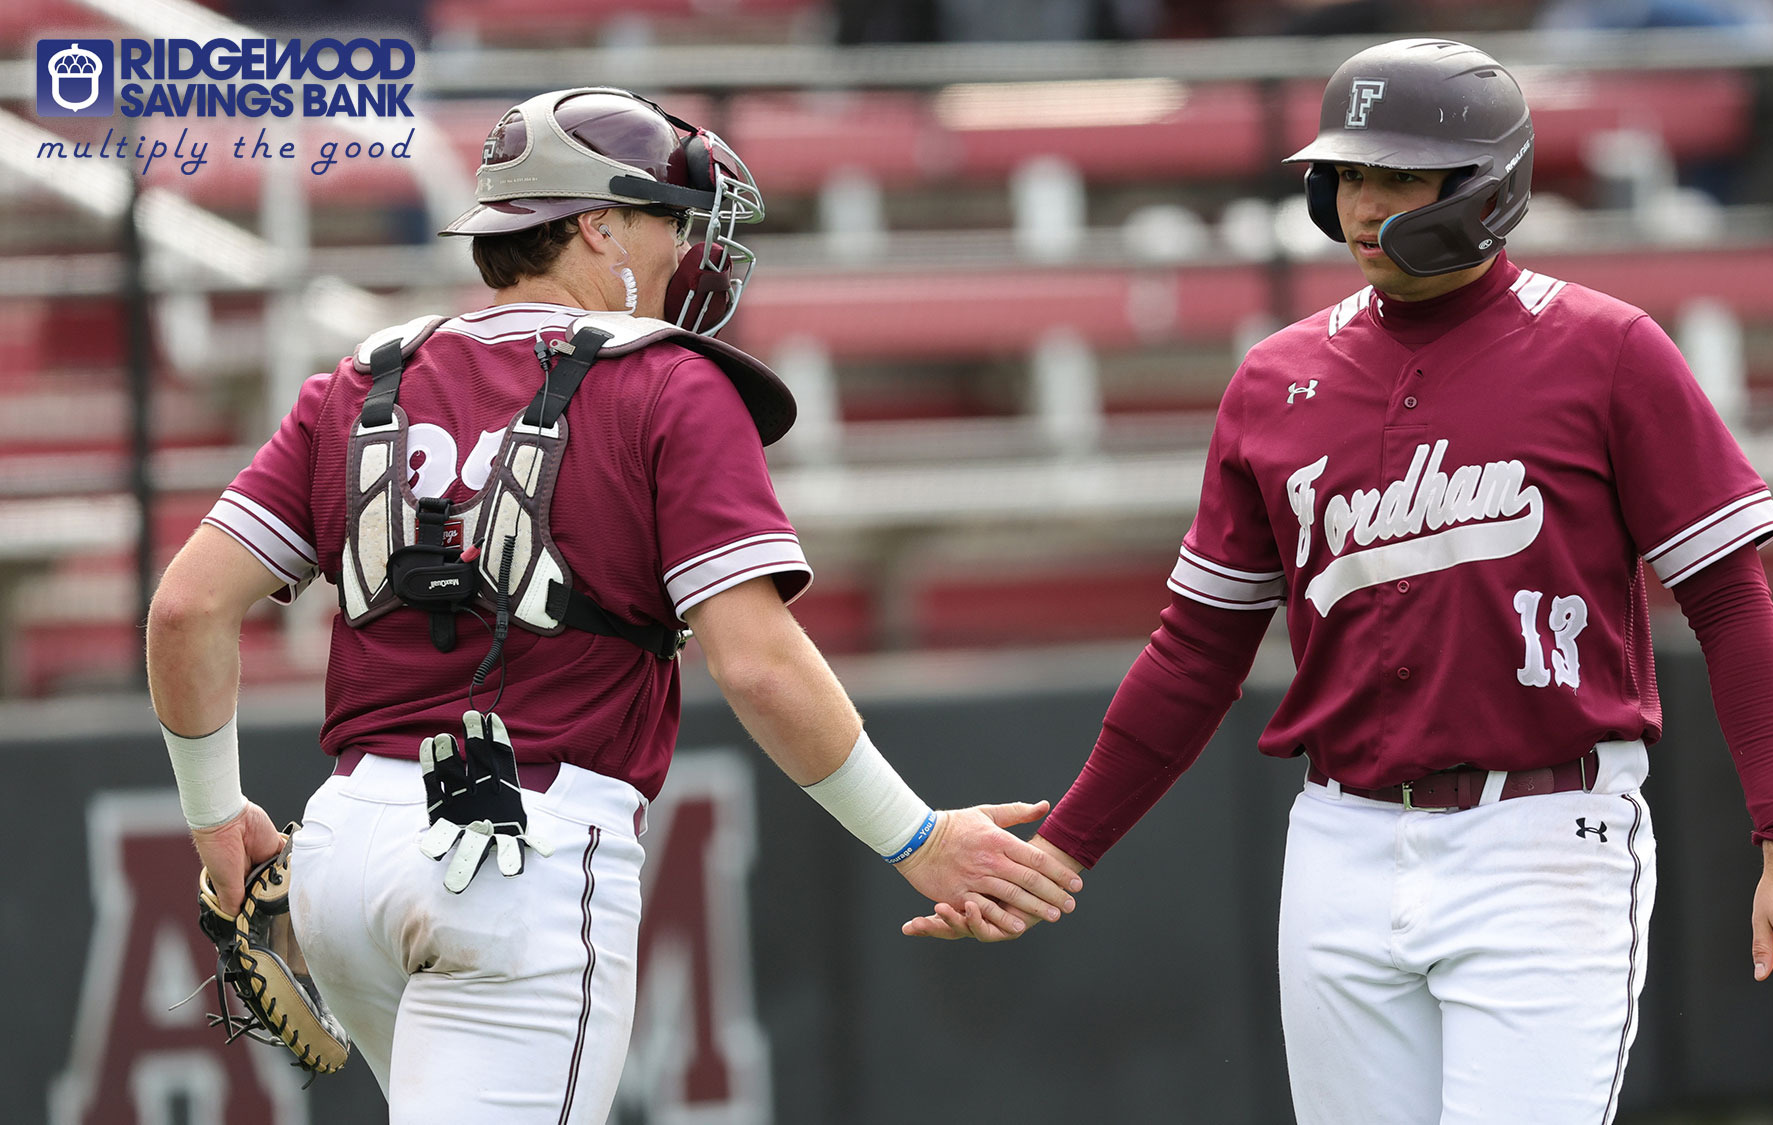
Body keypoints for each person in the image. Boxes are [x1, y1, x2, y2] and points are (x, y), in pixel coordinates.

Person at [905, 39, 1773, 1123]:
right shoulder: (1274, 378)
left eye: (1399, 176)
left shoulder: (1607, 351)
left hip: (1544, 842)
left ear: (1485, 188)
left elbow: (1730, 604)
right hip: (1340, 844)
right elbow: (1195, 650)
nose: (1363, 203)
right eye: (1349, 173)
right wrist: (1061, 850)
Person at [147, 87, 1082, 1123]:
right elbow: (758, 663)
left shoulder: (361, 378)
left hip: (344, 853)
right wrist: (916, 839)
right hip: (519, 855)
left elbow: (186, 608)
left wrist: (211, 814)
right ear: (597, 225)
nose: (687, 250)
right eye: (667, 220)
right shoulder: (669, 385)